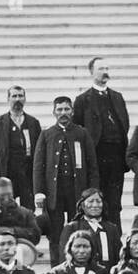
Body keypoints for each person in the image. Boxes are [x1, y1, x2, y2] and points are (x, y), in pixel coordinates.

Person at [35, 95, 100, 264]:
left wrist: (92, 192)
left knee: (78, 229)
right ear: (54, 112)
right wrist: (39, 192)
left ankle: (79, 264)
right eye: (59, 110)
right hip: (54, 193)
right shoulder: (47, 134)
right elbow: (38, 167)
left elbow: (92, 165)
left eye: (66, 109)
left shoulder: (82, 133)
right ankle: (56, 268)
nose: (63, 113)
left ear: (72, 111)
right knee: (55, 234)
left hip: (77, 192)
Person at [74, 57, 132, 222]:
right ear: (91, 72)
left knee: (114, 201)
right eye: (100, 69)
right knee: (96, 199)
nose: (105, 71)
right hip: (96, 156)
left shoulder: (117, 97)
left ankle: (115, 235)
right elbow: (78, 130)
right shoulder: (82, 100)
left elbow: (124, 123)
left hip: (116, 157)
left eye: (106, 68)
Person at [0, 85, 42, 209]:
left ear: (25, 99)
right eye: (14, 96)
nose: (17, 99)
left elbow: (40, 150)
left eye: (20, 96)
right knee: (5, 207)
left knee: (28, 209)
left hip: (27, 173)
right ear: (8, 99)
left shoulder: (33, 122)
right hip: (7, 171)